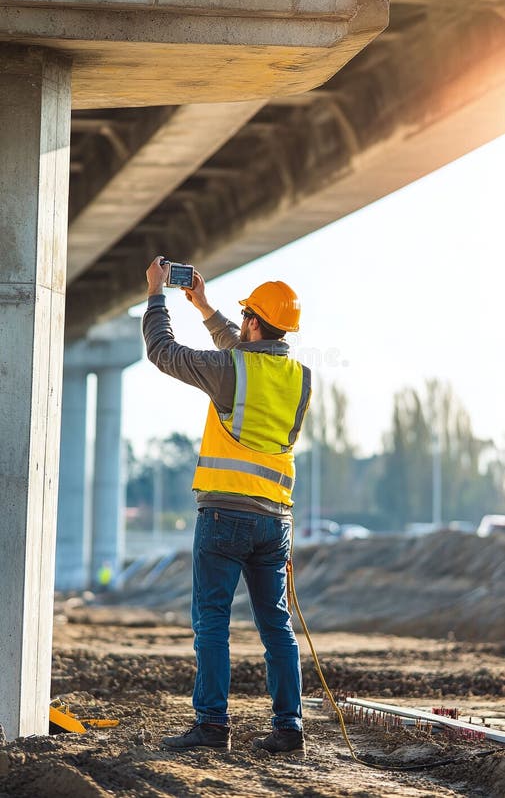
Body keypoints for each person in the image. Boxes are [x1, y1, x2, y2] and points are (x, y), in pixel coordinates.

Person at [143, 256, 311, 755]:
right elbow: (248, 359)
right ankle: (289, 729)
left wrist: (157, 294)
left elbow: (162, 352)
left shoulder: (229, 369)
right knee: (276, 625)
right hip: (275, 520)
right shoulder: (299, 379)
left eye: (244, 318)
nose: (239, 325)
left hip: (223, 517)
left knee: (212, 620)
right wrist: (206, 308)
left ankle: (213, 725)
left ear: (255, 323)